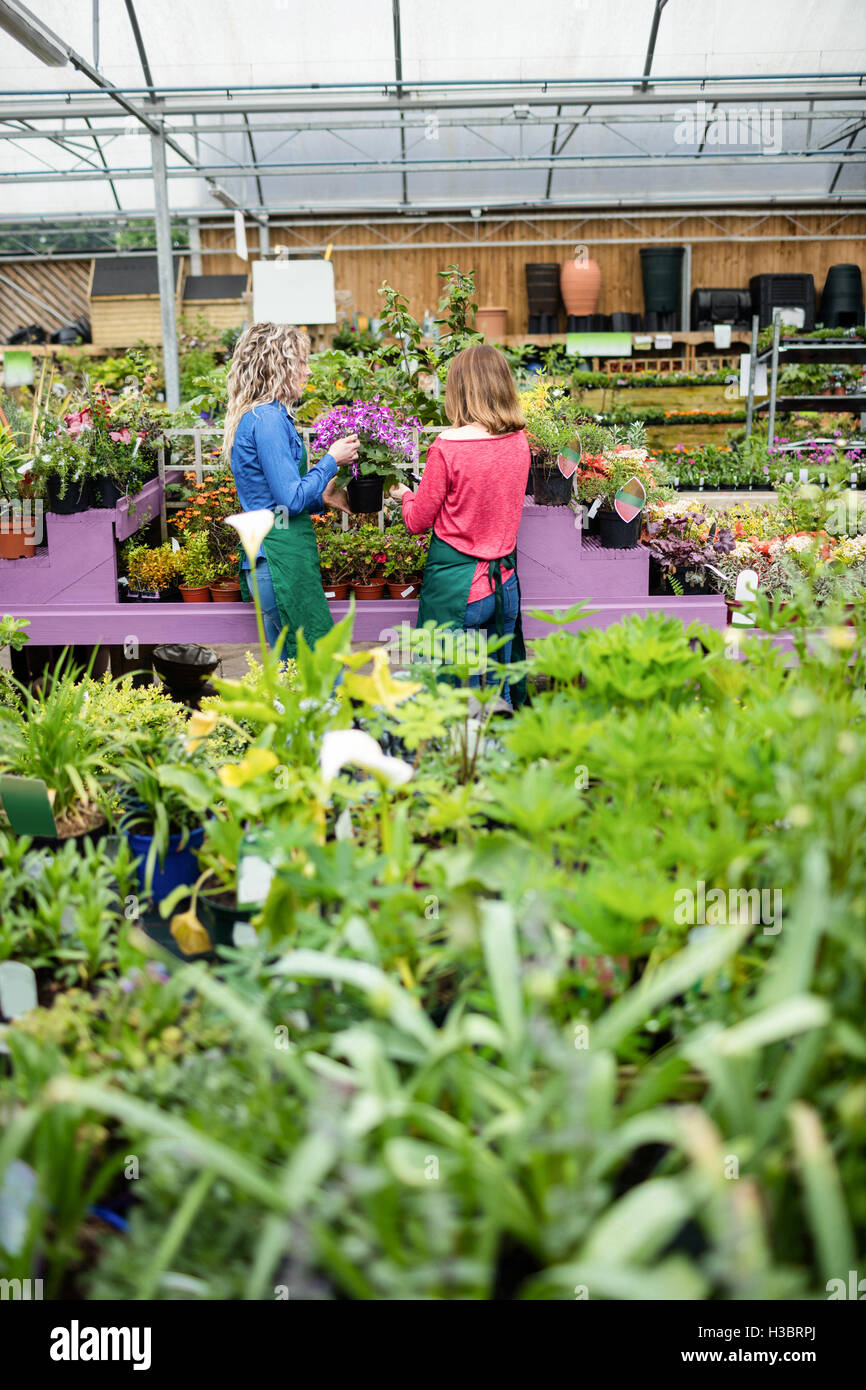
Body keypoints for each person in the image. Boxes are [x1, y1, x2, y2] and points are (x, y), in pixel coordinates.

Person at [390, 344, 531, 706]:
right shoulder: (519, 442)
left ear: (460, 390)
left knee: (444, 699)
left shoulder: (447, 447)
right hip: (505, 588)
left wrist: (405, 495)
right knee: (497, 701)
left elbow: (417, 521)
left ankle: (453, 758)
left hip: (459, 593)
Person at [223, 322, 357, 655]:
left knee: (291, 672)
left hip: (272, 557)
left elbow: (274, 499)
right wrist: (331, 460)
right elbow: (290, 498)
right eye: (301, 362)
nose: (308, 371)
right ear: (277, 367)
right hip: (281, 561)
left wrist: (324, 498)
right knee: (317, 670)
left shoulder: (260, 416)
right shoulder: (267, 419)